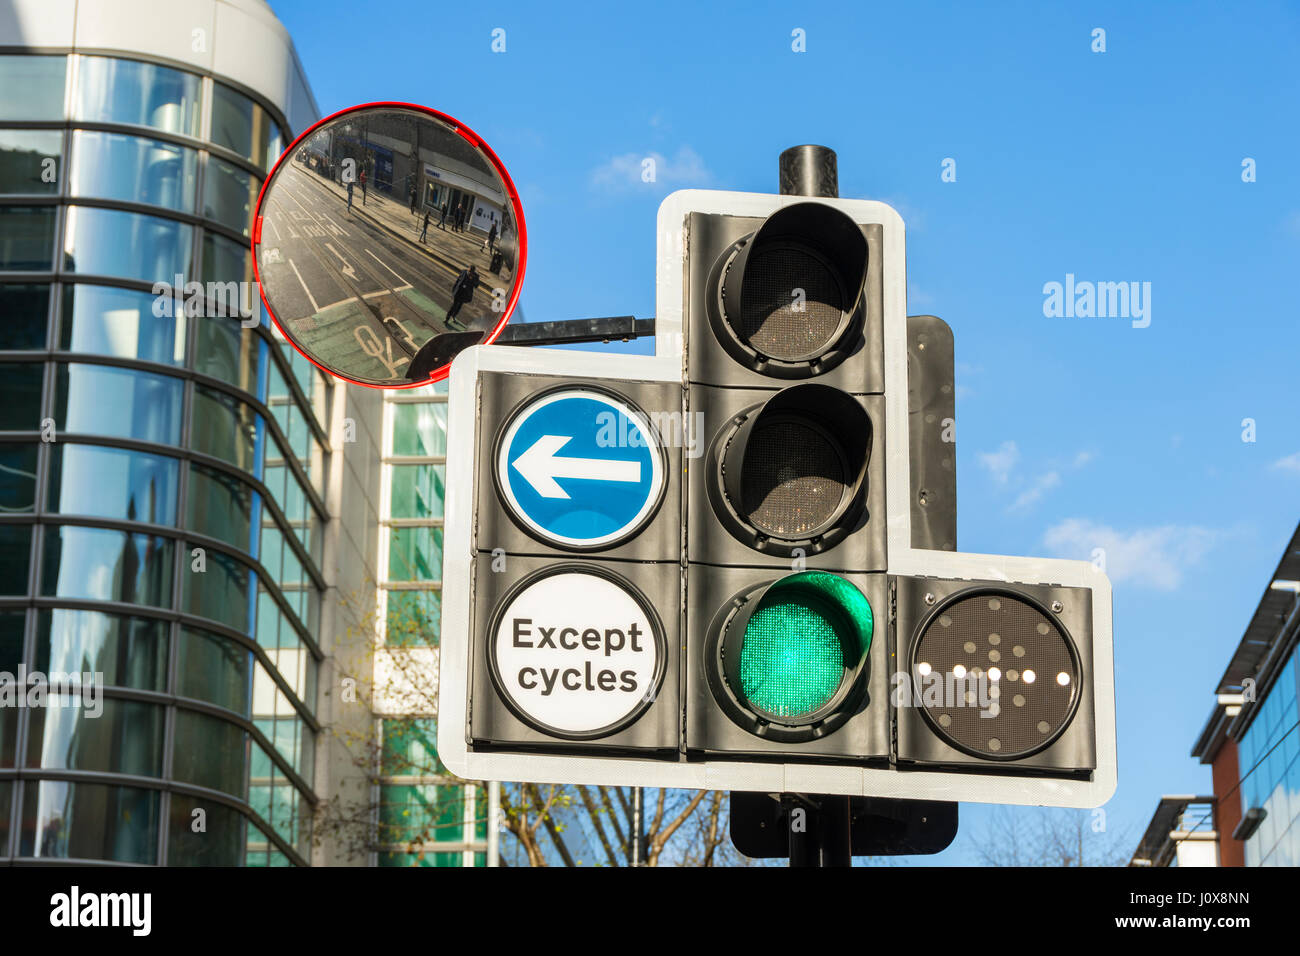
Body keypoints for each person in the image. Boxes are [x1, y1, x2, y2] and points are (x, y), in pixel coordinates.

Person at [445, 263, 479, 329]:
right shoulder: (463, 272)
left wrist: (473, 279)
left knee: (459, 306)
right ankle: (447, 319)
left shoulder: (476, 276)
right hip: (458, 292)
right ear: (468, 269)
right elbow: (458, 281)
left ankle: (454, 316)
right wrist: (454, 289)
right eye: (469, 271)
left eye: (471, 272)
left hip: (465, 294)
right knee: (453, 306)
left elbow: (476, 286)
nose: (469, 273)